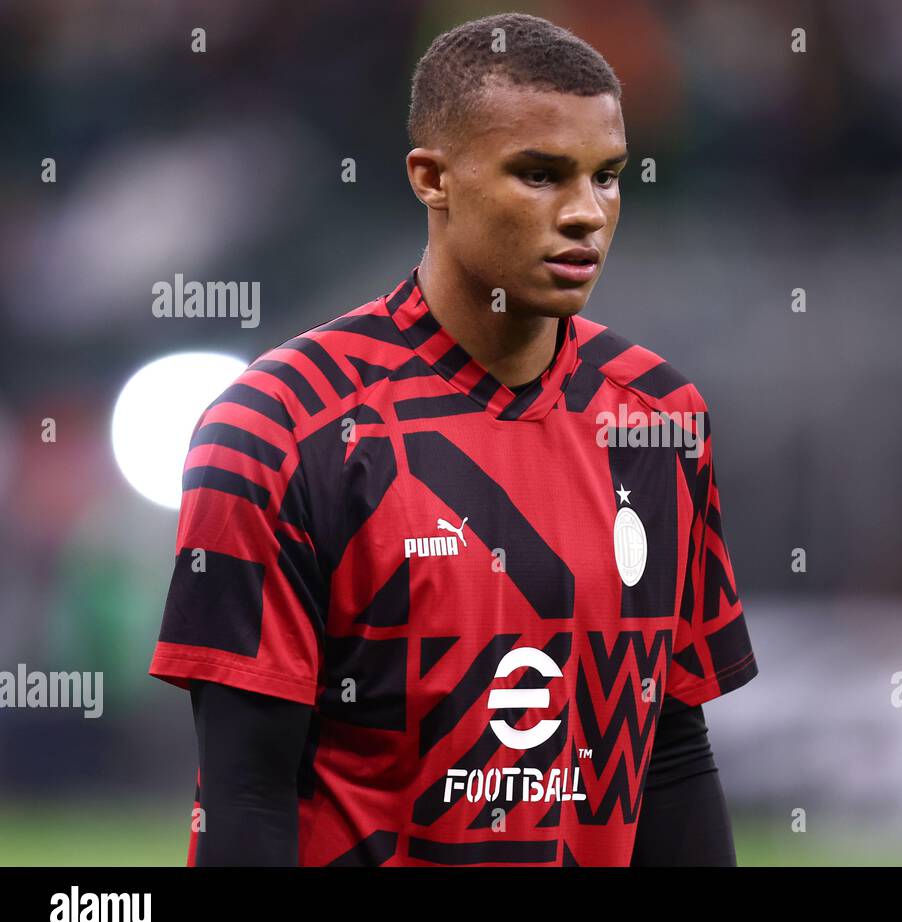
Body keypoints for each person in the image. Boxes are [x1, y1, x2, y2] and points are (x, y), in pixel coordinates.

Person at [149, 12, 757, 867]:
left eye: (608, 176)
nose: (586, 214)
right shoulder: (280, 430)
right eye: (541, 175)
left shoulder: (658, 418)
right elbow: (246, 795)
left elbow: (670, 754)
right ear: (433, 178)